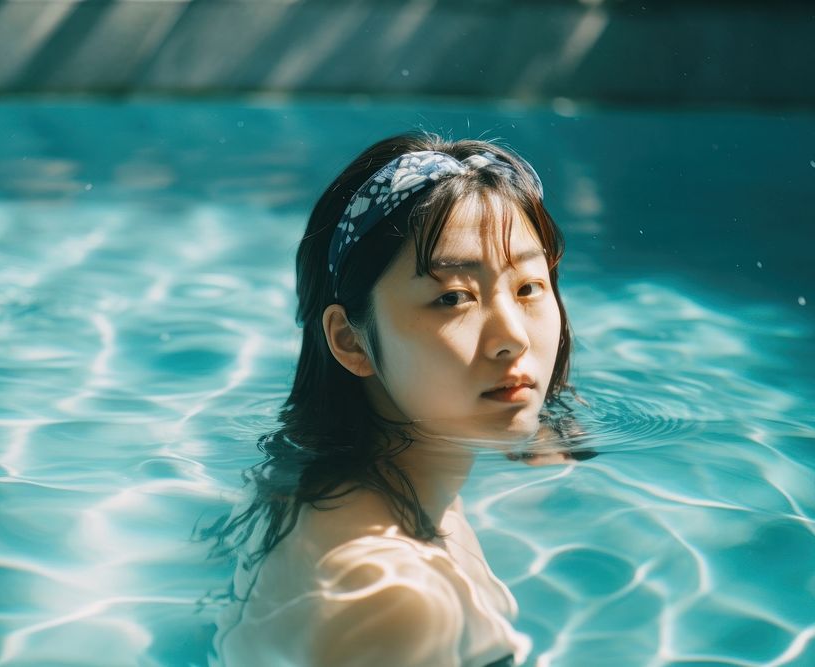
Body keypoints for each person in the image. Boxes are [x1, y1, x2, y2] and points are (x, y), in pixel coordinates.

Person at [206, 131, 574, 667]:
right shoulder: (395, 600)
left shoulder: (329, 483)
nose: (514, 337)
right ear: (350, 342)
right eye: (452, 298)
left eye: (527, 288)